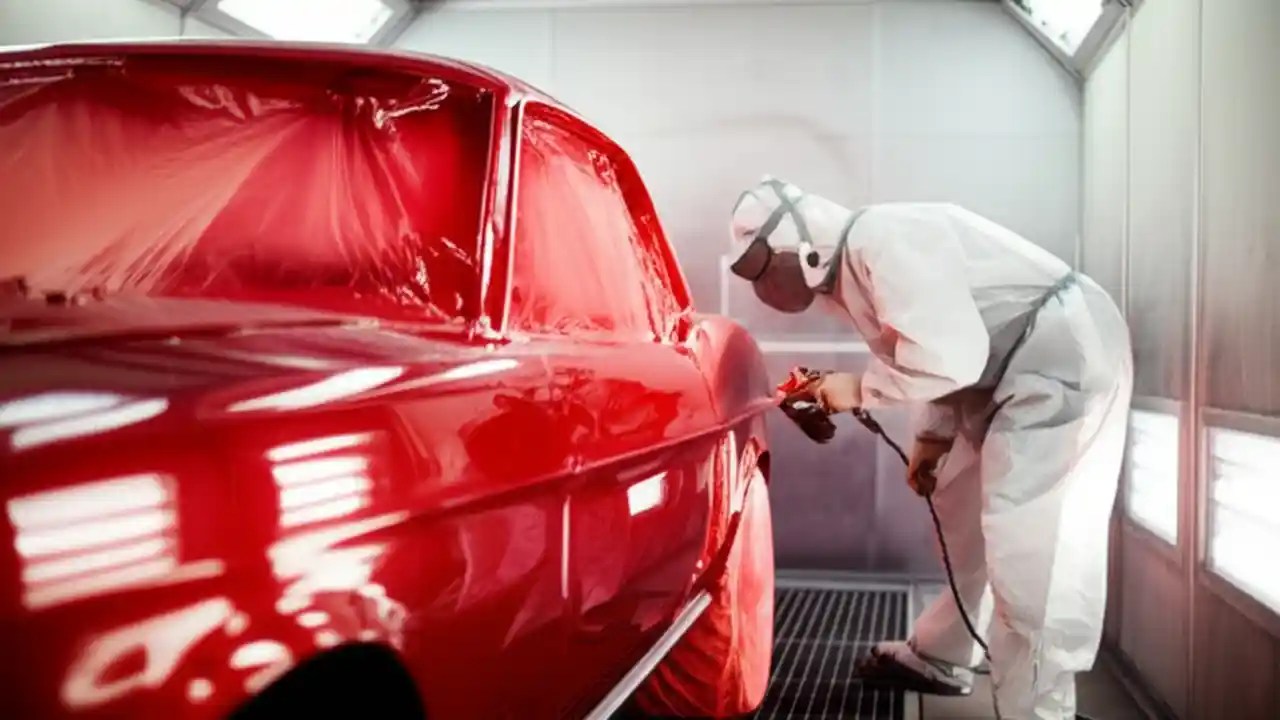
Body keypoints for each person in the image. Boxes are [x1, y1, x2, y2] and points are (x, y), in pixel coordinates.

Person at [728, 176, 1133, 720]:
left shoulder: (881, 240)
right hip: (1003, 369)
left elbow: (951, 357)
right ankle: (944, 654)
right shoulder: (850, 273)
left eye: (762, 263)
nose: (764, 282)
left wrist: (857, 389)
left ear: (800, 237)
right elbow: (930, 347)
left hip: (1060, 355)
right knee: (958, 505)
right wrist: (931, 440)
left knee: (1031, 548)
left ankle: (1041, 710)